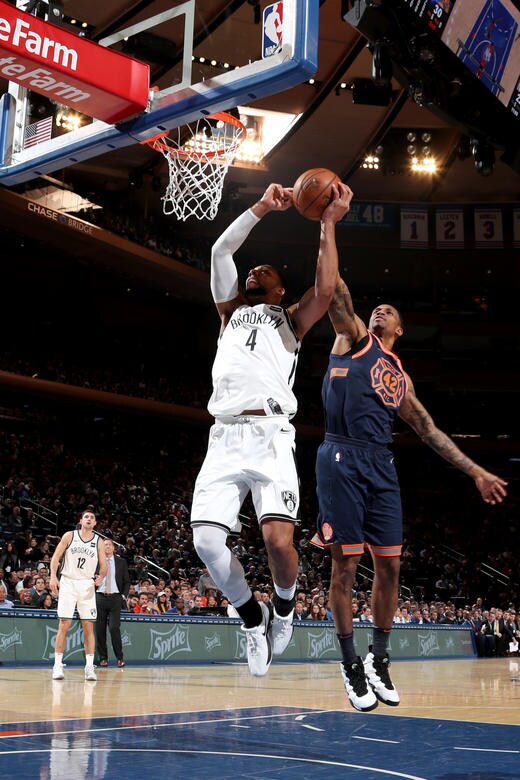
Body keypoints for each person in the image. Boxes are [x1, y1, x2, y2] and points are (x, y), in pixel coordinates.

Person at [313, 271, 508, 712]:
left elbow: (429, 430)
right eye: (376, 309)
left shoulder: (399, 376)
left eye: (389, 312)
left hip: (381, 463)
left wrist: (476, 470)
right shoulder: (352, 338)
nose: (379, 311)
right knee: (344, 566)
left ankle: (378, 658)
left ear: (399, 330)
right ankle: (349, 662)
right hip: (342, 454)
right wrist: (327, 222)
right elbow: (334, 288)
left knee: (392, 567)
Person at [190, 180, 353, 676]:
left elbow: (325, 289)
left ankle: (283, 610)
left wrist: (327, 222)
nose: (256, 268)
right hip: (223, 436)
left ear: (280, 289)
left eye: (267, 270)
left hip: (271, 437)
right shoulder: (229, 312)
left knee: (279, 542)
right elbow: (221, 248)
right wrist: (262, 205)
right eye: (253, 269)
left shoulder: (291, 318)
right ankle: (251, 616)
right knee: (206, 544)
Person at [49, 509, 107, 681]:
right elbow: (55, 557)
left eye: (92, 518)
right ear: (81, 520)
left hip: (86, 584)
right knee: (64, 624)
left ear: (95, 523)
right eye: (86, 517)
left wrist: (101, 576)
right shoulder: (69, 536)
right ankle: (57, 665)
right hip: (68, 581)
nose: (89, 519)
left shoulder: (98, 541)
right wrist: (53, 576)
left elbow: (104, 565)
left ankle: (89, 667)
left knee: (88, 626)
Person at [95, 537, 130, 668]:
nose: (107, 547)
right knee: (100, 629)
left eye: (109, 545)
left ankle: (120, 657)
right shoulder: (97, 561)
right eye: (104, 545)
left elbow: (127, 581)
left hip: (115, 598)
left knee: (114, 627)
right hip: (100, 597)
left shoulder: (121, 562)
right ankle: (103, 658)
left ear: (114, 547)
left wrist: (123, 596)